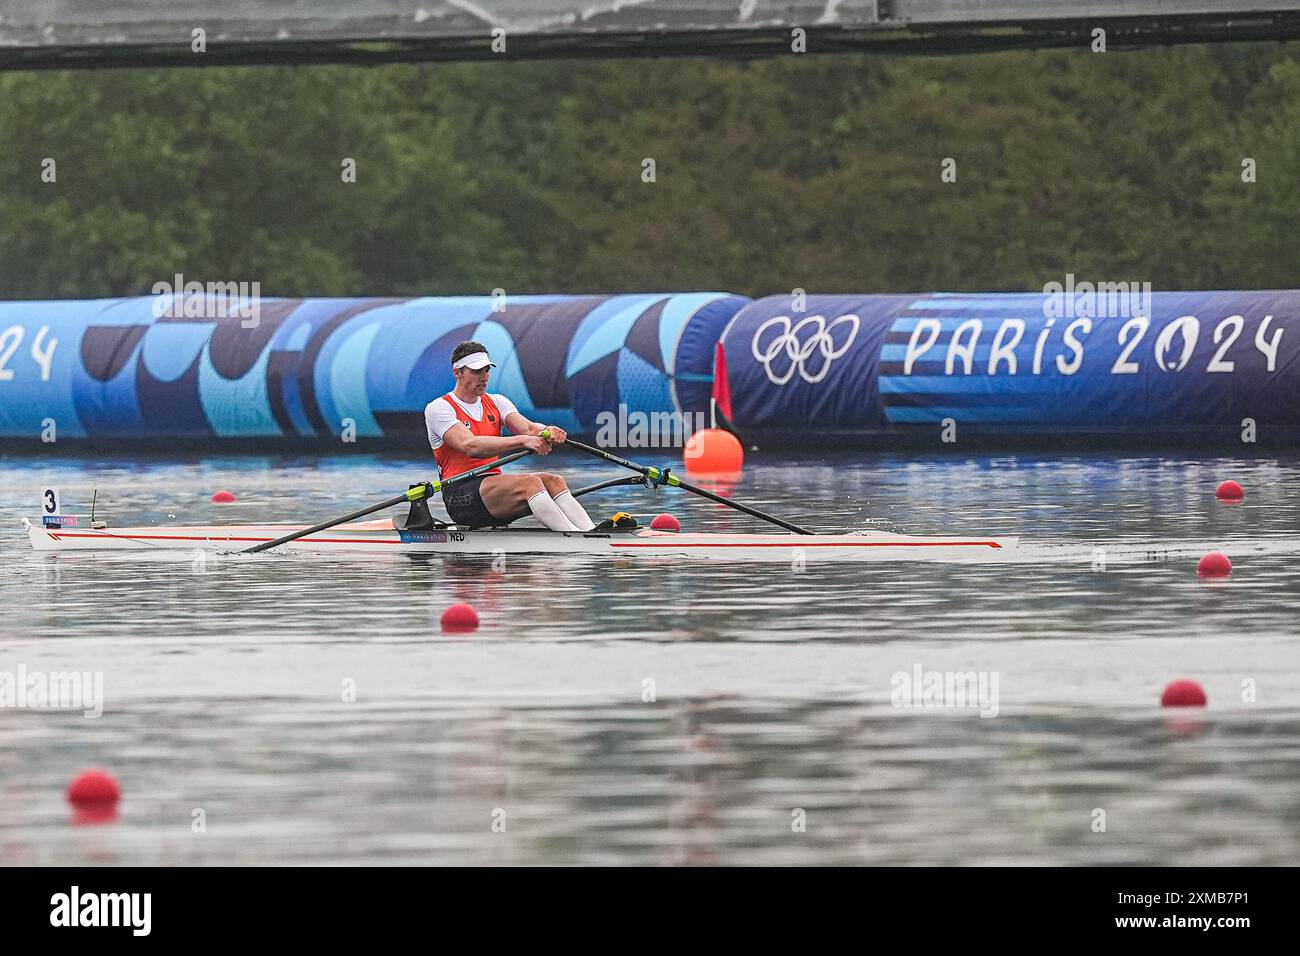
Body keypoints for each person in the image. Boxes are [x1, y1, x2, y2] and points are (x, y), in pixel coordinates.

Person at [424, 341, 599, 531]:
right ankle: (574, 537)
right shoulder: (439, 408)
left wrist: (547, 431)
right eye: (476, 372)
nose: (484, 377)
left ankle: (591, 532)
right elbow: (470, 446)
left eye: (486, 371)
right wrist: (524, 441)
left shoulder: (497, 402)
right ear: (457, 372)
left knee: (554, 480)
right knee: (529, 483)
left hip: (494, 491)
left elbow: (530, 429)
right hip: (460, 495)